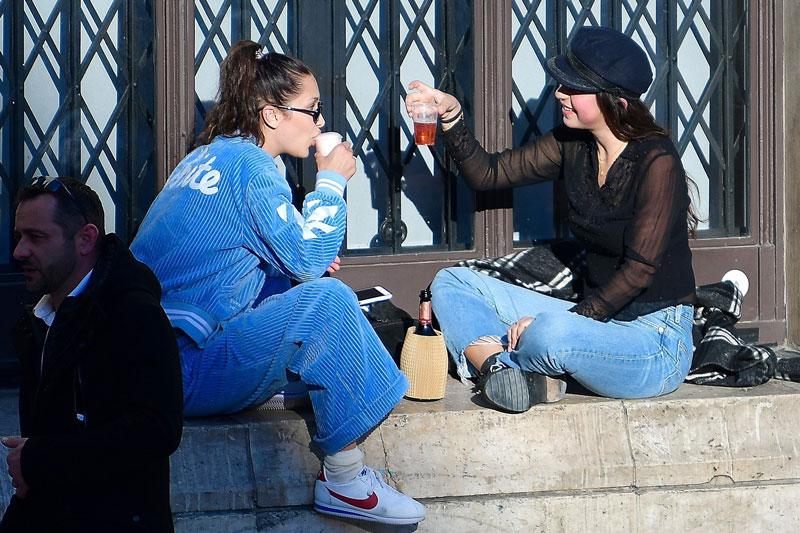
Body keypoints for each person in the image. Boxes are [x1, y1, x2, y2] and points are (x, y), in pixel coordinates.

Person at [130, 41, 425, 525]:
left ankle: (308, 391)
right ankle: (345, 480)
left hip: (146, 365)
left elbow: (232, 263)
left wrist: (293, 263)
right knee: (327, 301)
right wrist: (331, 181)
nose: (320, 123)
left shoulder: (204, 159)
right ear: (271, 115)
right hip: (181, 373)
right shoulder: (254, 169)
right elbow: (310, 261)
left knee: (298, 294)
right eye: (312, 110)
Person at [407, 26, 697, 413]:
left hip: (654, 340)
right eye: (562, 84)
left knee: (549, 331)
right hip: (593, 320)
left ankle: (499, 363)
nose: (560, 93)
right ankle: (503, 371)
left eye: (574, 87)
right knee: (451, 282)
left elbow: (639, 271)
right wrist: (451, 116)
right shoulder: (571, 143)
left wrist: (564, 323)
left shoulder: (657, 160)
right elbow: (488, 174)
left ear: (615, 101)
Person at [2, 177, 183, 532]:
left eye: (36, 237)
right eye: (19, 236)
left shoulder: (132, 313)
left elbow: (155, 430)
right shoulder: (39, 320)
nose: (19, 251)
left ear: (85, 239)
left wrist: (39, 459)